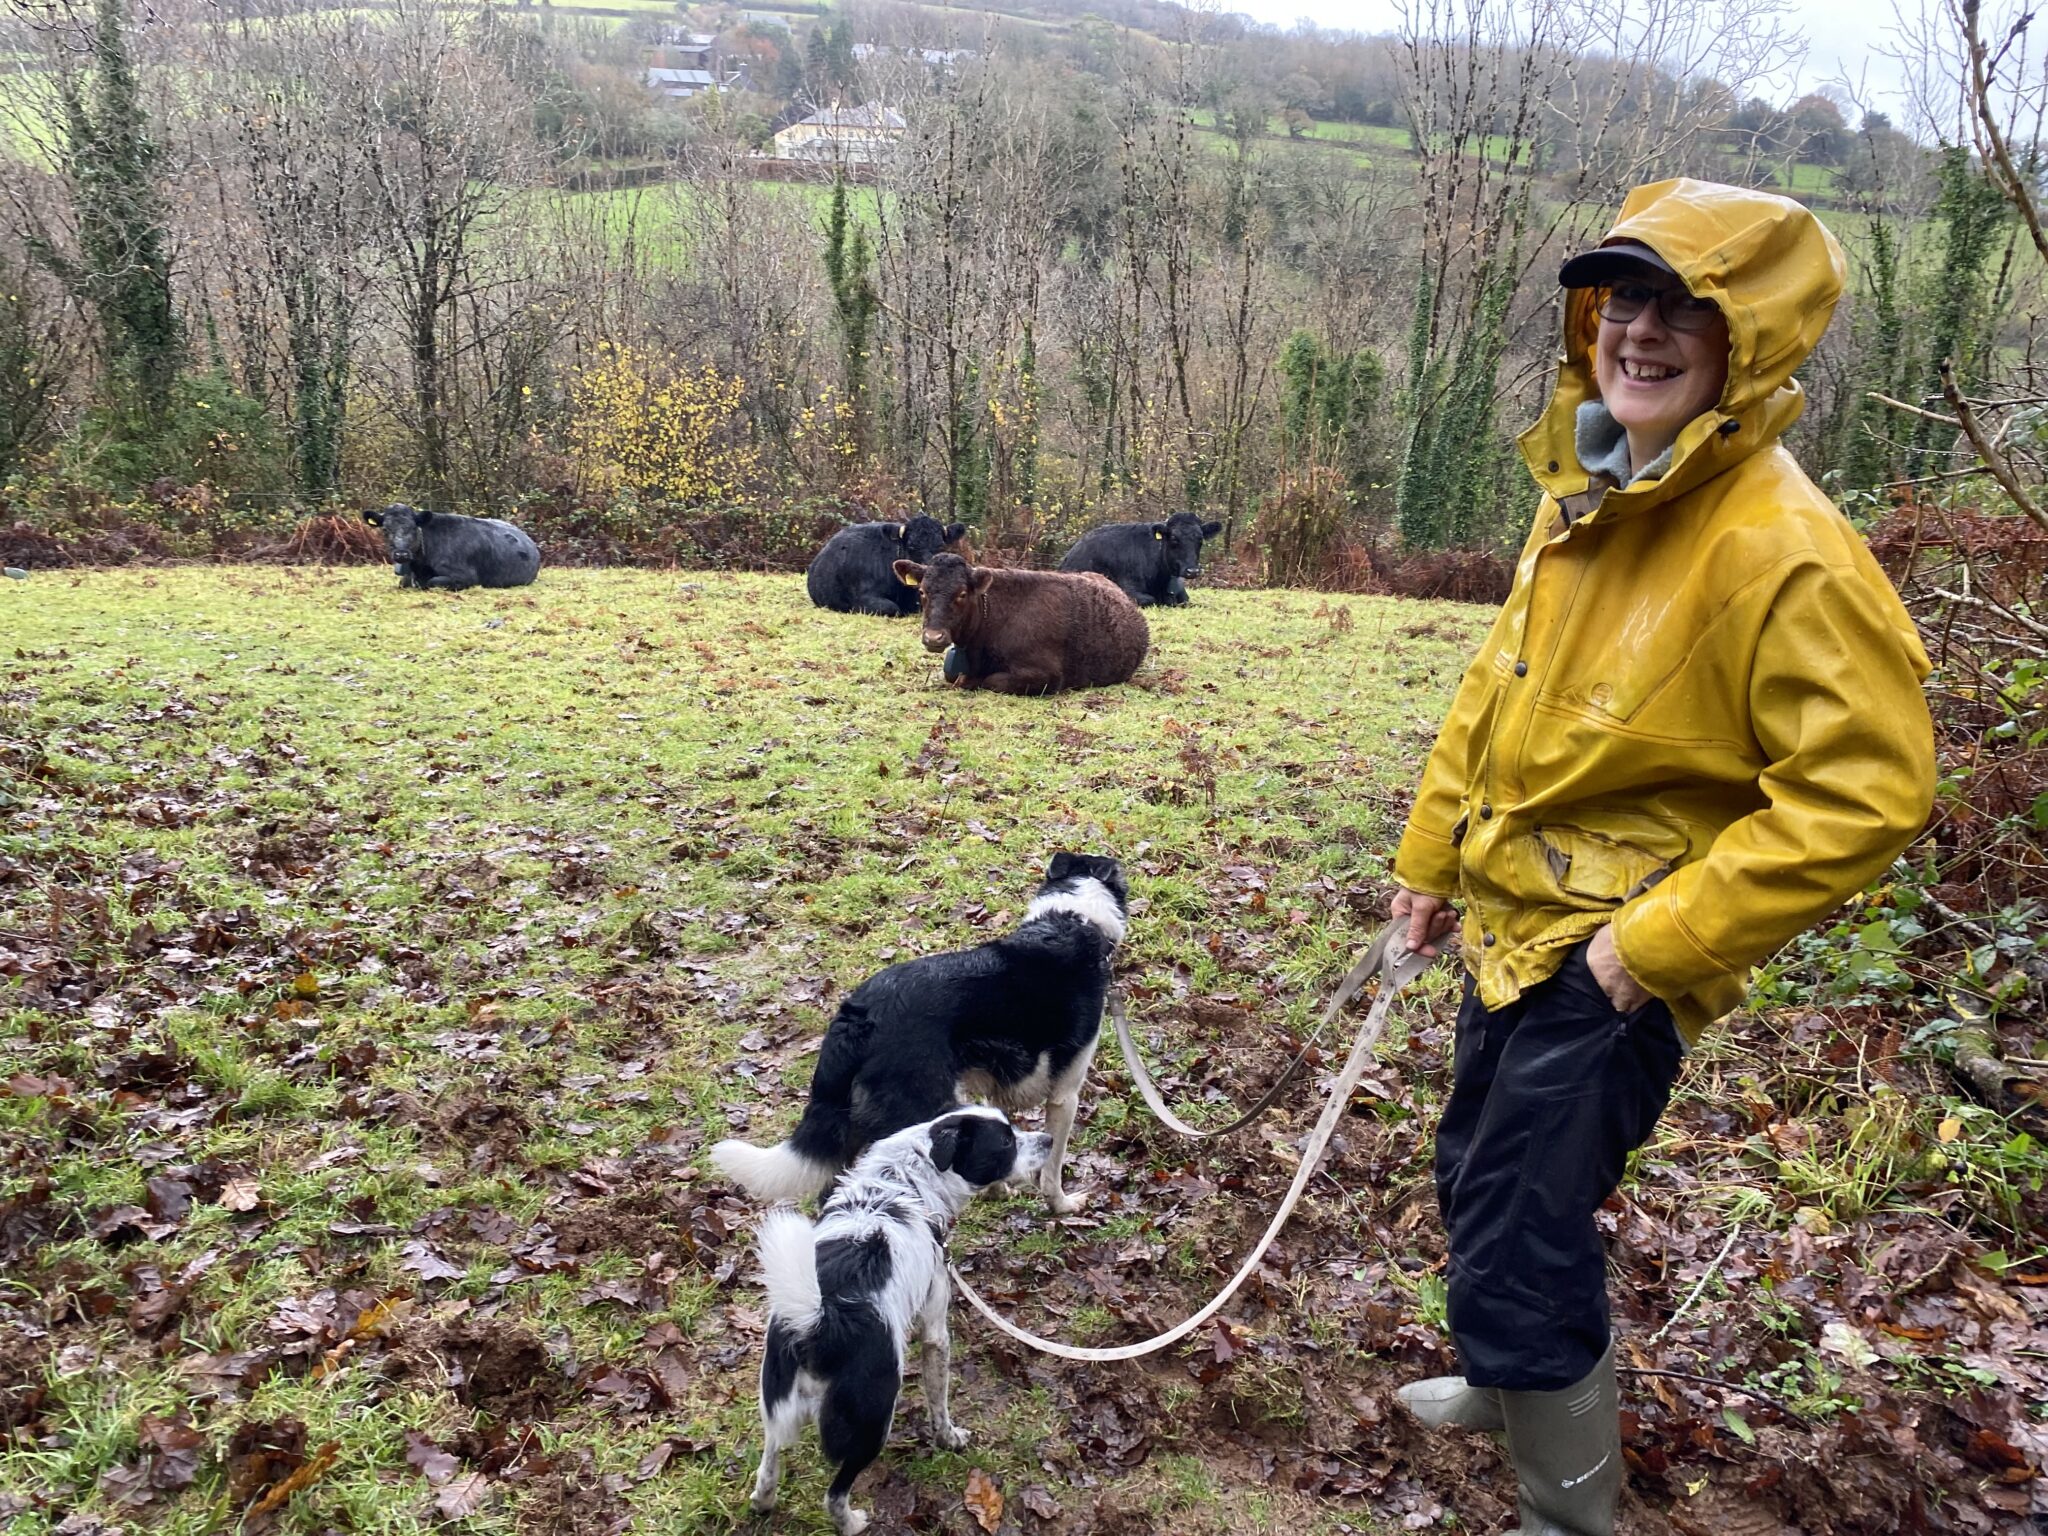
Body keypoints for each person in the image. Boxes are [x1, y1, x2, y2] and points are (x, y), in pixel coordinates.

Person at [1387, 178, 1936, 1535]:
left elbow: (1868, 792)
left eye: (1686, 308)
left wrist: (1649, 951)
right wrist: (1431, 859)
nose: (1642, 331)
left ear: (1750, 343)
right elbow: (1498, 683)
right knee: (1477, 1172)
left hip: (1613, 955)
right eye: (1625, 298)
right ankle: (1512, 1385)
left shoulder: (1786, 548)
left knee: (1527, 1223)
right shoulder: (1589, 487)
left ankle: (1567, 1510)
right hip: (1514, 917)